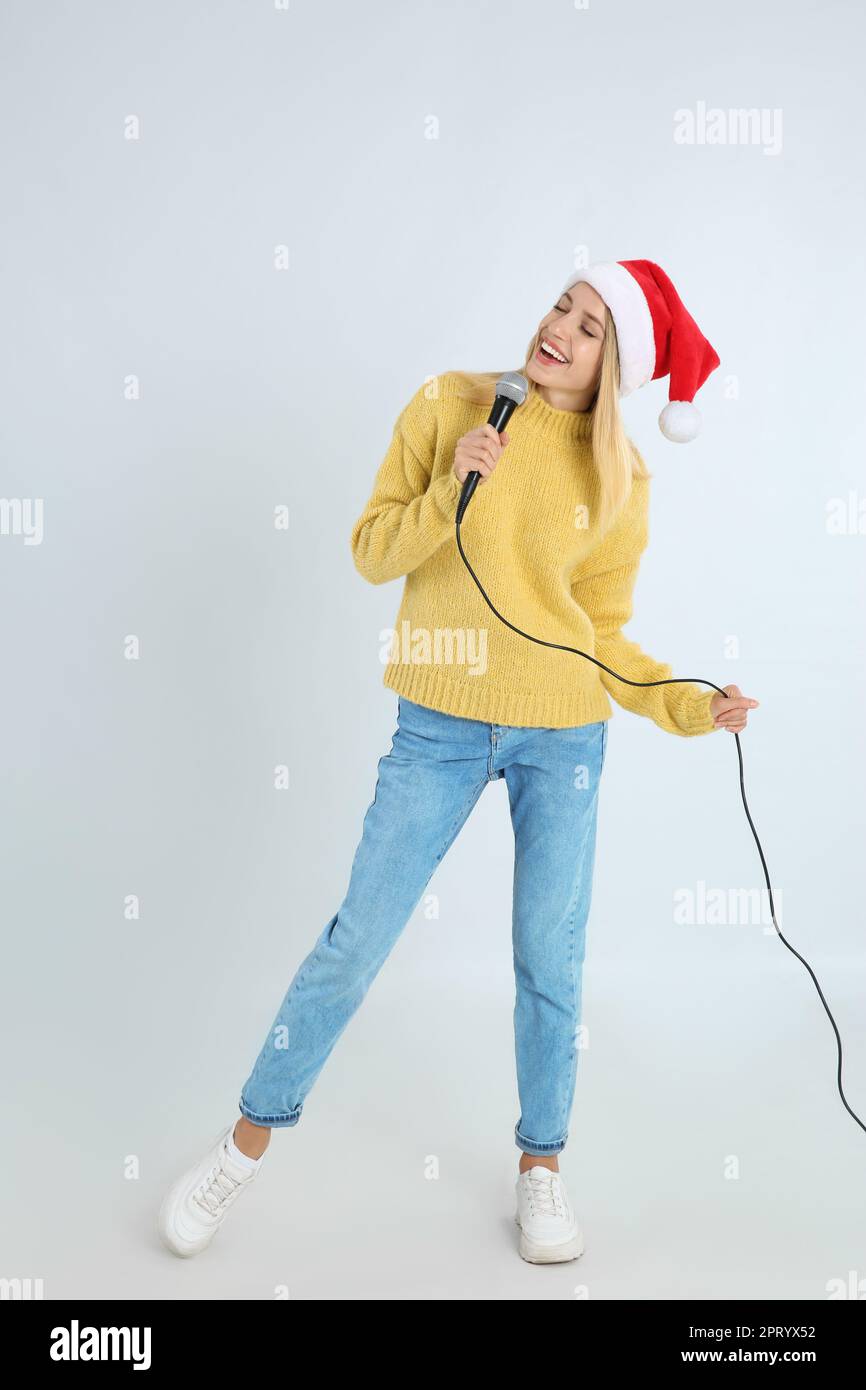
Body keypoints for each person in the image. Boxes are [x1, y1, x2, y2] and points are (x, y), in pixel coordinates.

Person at [157, 259, 759, 1265]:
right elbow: (369, 550)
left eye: (591, 326)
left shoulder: (622, 477)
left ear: (617, 367)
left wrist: (693, 706)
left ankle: (541, 1169)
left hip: (561, 734)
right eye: (561, 304)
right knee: (357, 939)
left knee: (546, 957)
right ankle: (242, 1144)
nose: (559, 326)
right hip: (436, 723)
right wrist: (451, 490)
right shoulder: (448, 405)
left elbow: (601, 633)